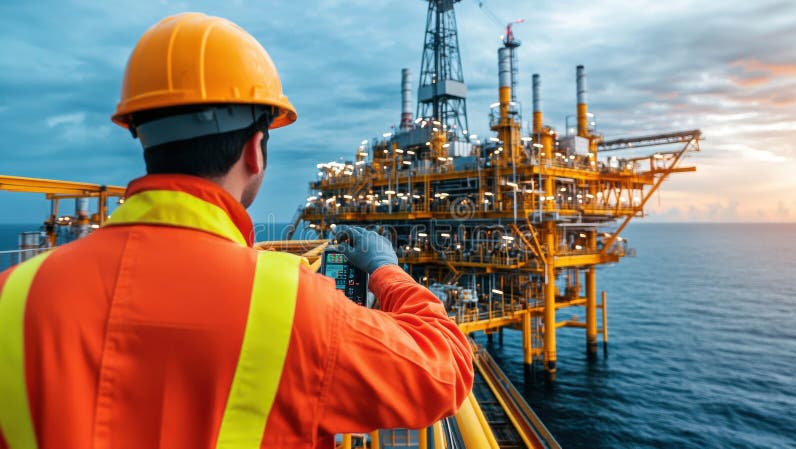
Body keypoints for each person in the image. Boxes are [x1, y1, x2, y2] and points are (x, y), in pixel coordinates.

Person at [0, 13, 473, 449]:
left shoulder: (13, 296)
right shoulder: (292, 308)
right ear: (255, 150)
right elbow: (444, 368)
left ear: (140, 135)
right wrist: (387, 272)